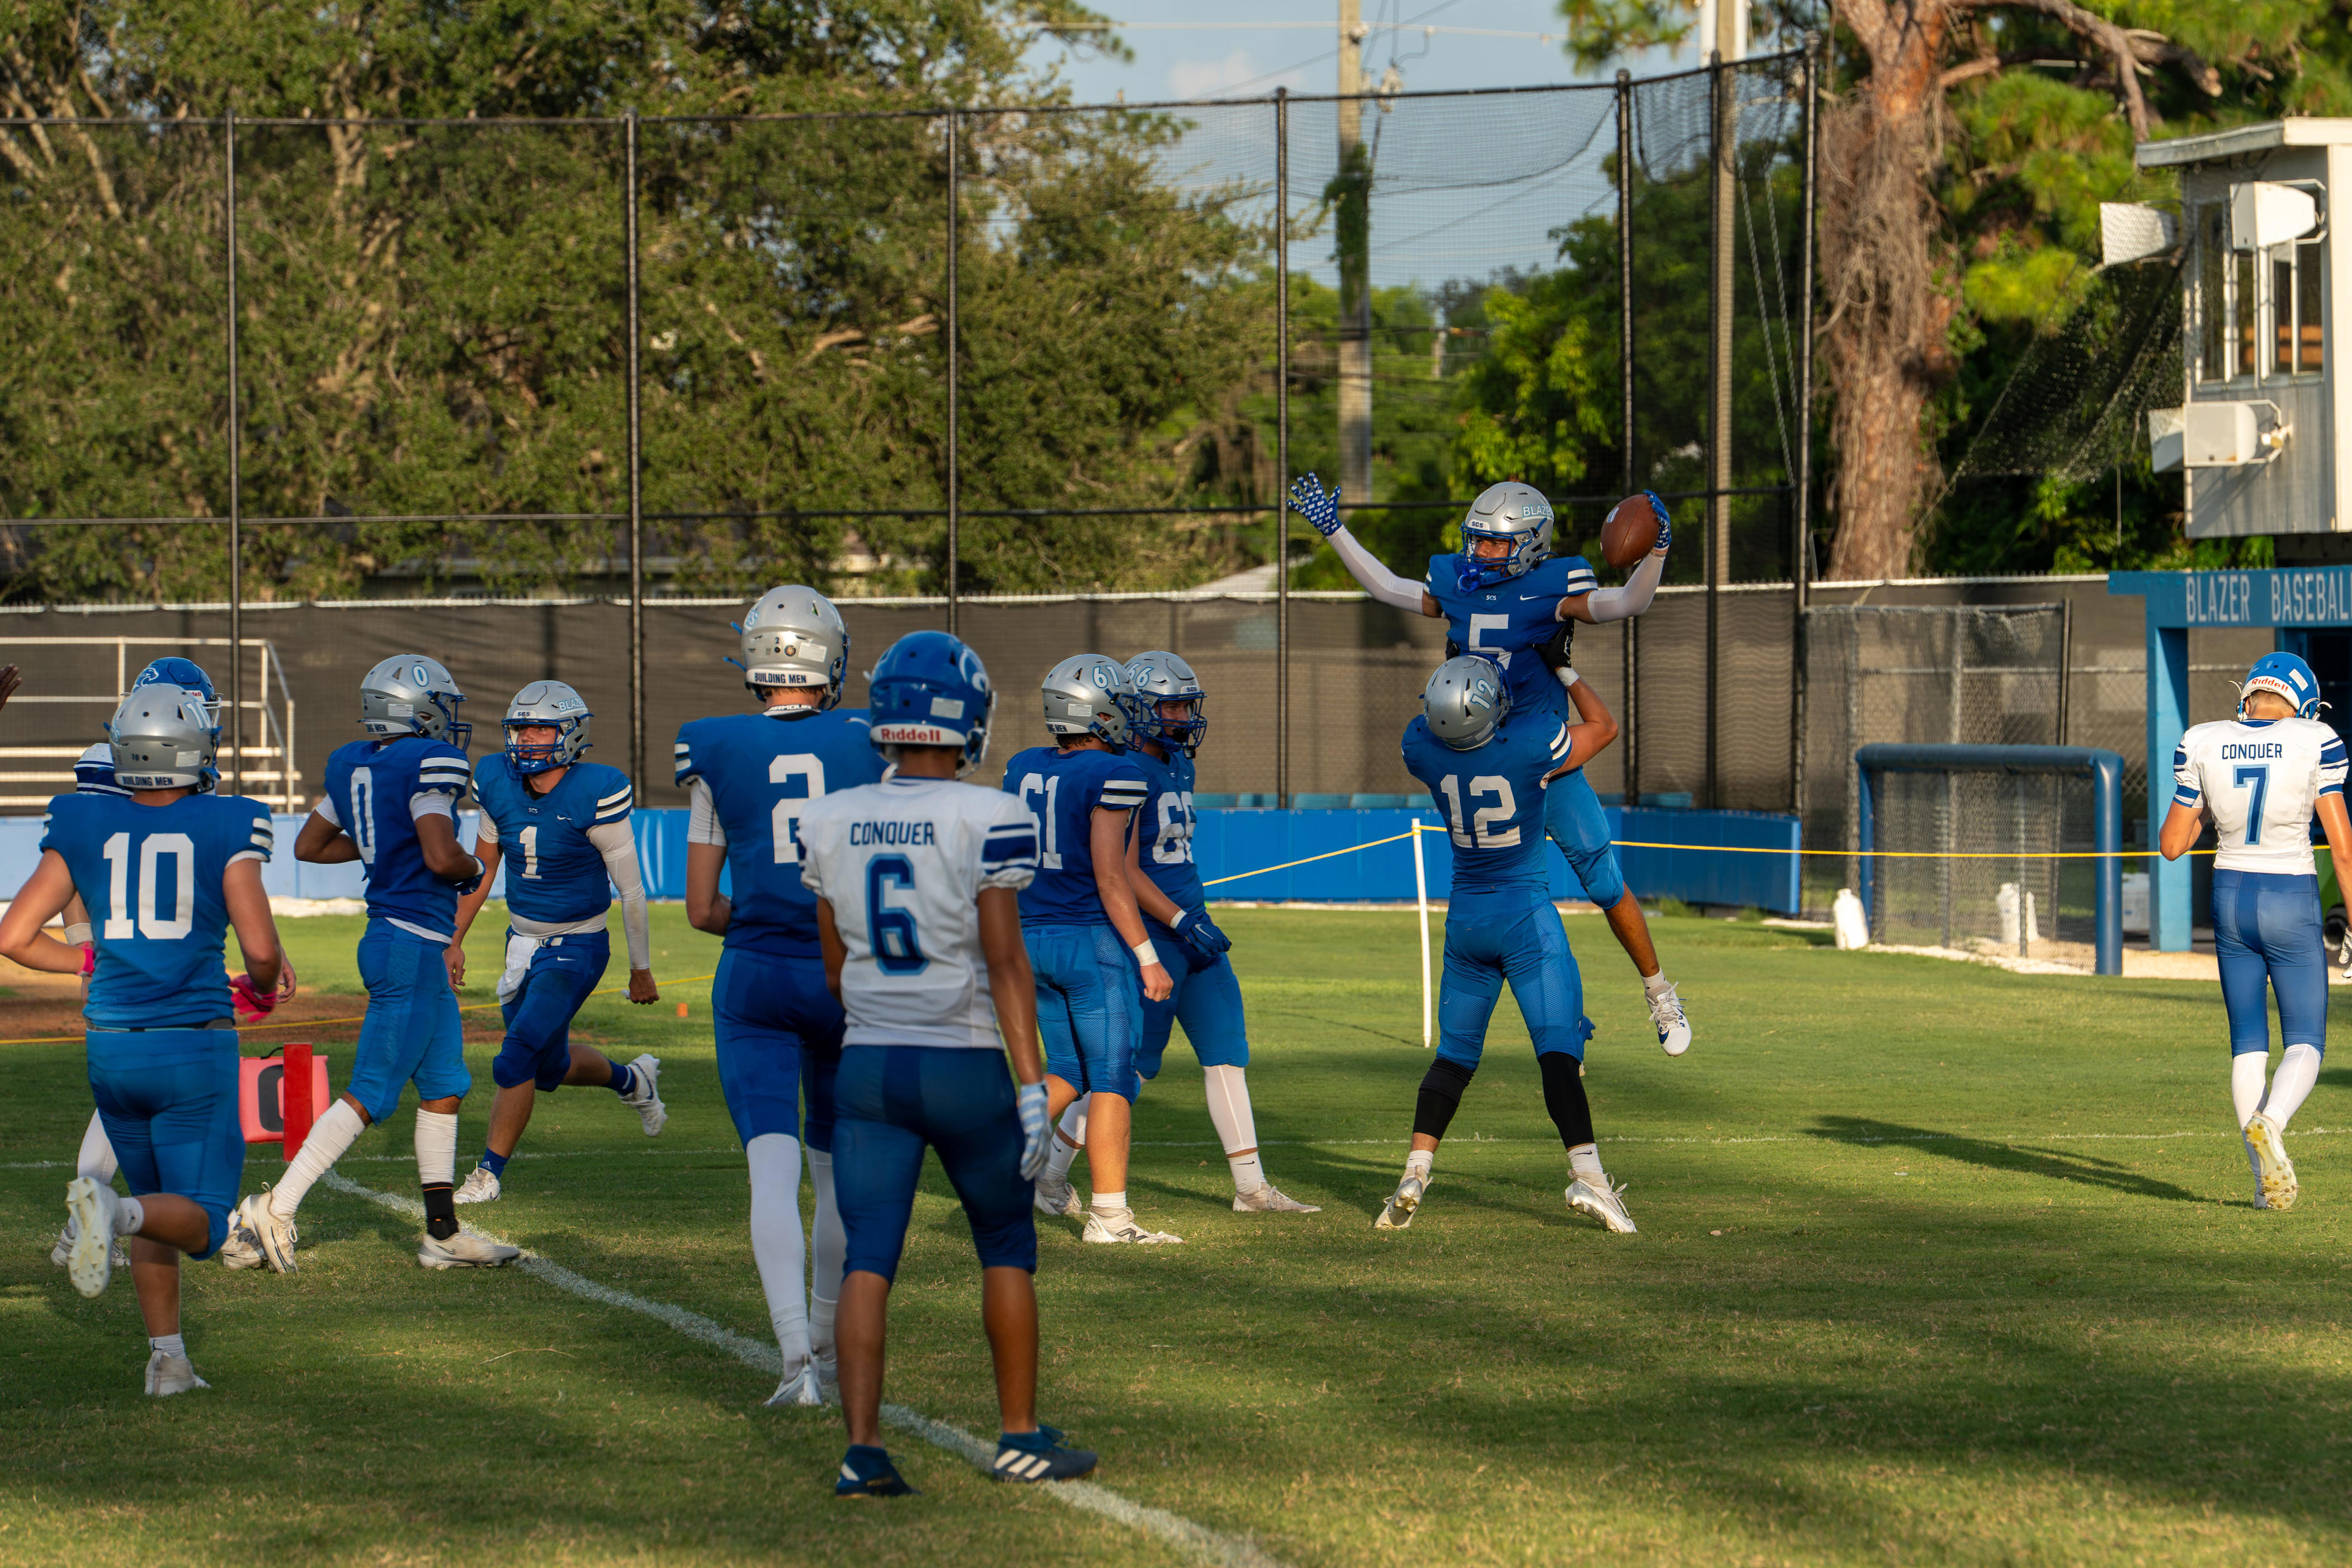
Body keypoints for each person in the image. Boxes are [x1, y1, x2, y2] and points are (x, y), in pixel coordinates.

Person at [798, 629, 1098, 1495]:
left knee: (868, 1259)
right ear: (966, 720)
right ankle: (1017, 1437)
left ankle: (862, 1453)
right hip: (962, 1062)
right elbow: (1005, 962)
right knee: (1005, 1245)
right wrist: (1034, 1083)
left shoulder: (826, 817)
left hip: (869, 1067)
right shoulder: (991, 814)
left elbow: (832, 969)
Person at [1287, 475, 1692, 1057]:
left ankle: (1659, 991)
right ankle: (1553, 1009)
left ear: (1531, 543)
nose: (1481, 552)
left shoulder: (1556, 583)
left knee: (1603, 879)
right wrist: (1335, 530)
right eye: (1477, 540)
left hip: (1542, 755)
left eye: (1497, 544)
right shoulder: (1455, 581)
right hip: (1479, 758)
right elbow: (1388, 586)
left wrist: (1655, 552)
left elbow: (1629, 601)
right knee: (1500, 894)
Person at [0, 681, 286, 1394]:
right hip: (190, 1044)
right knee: (207, 1222)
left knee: (156, 1197)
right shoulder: (229, 823)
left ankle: (169, 1361)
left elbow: (13, 936)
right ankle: (113, 1210)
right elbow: (259, 951)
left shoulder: (82, 821)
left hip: (112, 1048)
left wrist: (89, 959)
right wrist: (260, 984)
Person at [224, 655, 519, 1273]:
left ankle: (442, 1231)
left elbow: (310, 844)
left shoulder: (353, 760)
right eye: (441, 703)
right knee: (372, 1092)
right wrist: (475, 867)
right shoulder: (428, 760)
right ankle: (274, 1205)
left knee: (444, 1086)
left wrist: (386, 835)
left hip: (408, 942)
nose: (450, 717)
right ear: (415, 706)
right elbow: (443, 858)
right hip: (407, 941)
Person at [676, 585, 884, 1407]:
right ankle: (830, 1356)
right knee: (835, 1173)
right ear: (828, 658)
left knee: (771, 1168)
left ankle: (794, 1360)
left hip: (755, 973)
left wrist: (761, 925)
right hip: (849, 975)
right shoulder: (870, 740)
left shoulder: (715, 749)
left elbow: (700, 908)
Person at [1037, 648, 1315, 1215]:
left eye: (1189, 703)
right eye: (1171, 705)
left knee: (1226, 1053)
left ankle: (1251, 1188)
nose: (1184, 715)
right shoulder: (1124, 768)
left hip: (1197, 931)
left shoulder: (1176, 763)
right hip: (1158, 936)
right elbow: (1122, 870)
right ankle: (1048, 1175)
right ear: (1134, 708)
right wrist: (1177, 921)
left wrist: (1196, 919)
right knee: (1121, 1072)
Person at [1380, 654, 1638, 1234]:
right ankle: (1590, 1177)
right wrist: (1566, 671)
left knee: (1453, 1059)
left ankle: (1415, 1171)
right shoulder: (1528, 744)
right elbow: (1604, 726)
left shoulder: (1422, 747)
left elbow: (1431, 726)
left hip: (1467, 920)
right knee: (1558, 1054)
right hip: (1524, 916)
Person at [50, 658, 292, 1272]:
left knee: (126, 1092)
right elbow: (105, 861)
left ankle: (162, 1344)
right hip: (153, 967)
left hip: (133, 964)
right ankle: (91, 1217)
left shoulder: (129, 772)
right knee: (175, 1146)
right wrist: (91, 943)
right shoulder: (194, 795)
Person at [447, 680, 664, 1203]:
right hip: (521, 941)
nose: (528, 738)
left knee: (514, 1057)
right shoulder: (496, 779)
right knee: (548, 1066)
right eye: (521, 727)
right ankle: (632, 1081)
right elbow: (484, 867)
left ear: (571, 733)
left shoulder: (598, 789)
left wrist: (641, 968)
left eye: (542, 727)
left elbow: (631, 890)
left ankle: (488, 1174)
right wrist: (452, 941)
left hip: (578, 945)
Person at [2162, 651, 2352, 1211]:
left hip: (2230, 896)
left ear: (2247, 695)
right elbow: (2341, 847)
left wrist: (2218, 805)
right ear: (2304, 704)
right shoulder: (2315, 738)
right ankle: (2273, 1120)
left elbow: (2173, 844)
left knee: (2248, 1043)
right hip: (2289, 894)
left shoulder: (2203, 738)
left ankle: (2261, 1186)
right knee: (2306, 1040)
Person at [1002, 655, 1179, 1245]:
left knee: (1065, 1070)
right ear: (1096, 711)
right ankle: (1110, 1217)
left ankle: (995, 1156)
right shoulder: (1115, 773)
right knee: (1110, 1077)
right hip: (1086, 940)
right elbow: (1111, 876)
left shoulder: (1022, 768)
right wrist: (1147, 953)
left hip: (1030, 938)